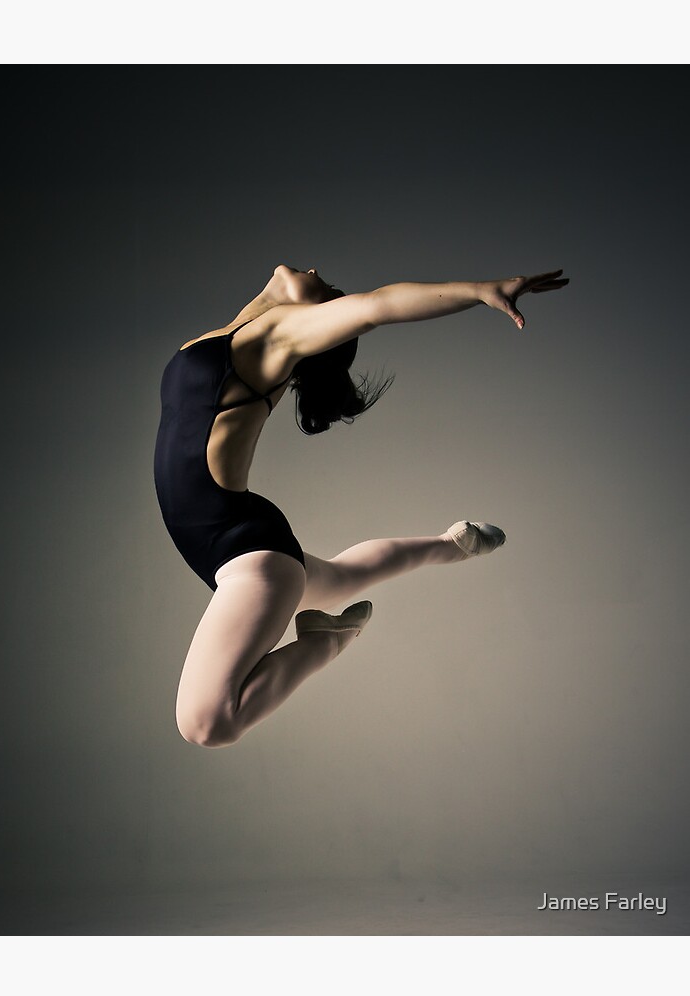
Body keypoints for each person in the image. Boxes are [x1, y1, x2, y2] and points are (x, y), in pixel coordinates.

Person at [153, 263, 569, 749]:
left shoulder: (277, 337)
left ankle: (325, 643)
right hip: (232, 545)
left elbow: (377, 307)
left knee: (205, 724)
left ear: (319, 316)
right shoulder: (238, 329)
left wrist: (480, 290)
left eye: (329, 289)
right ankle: (454, 544)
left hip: (242, 550)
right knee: (341, 578)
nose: (315, 271)